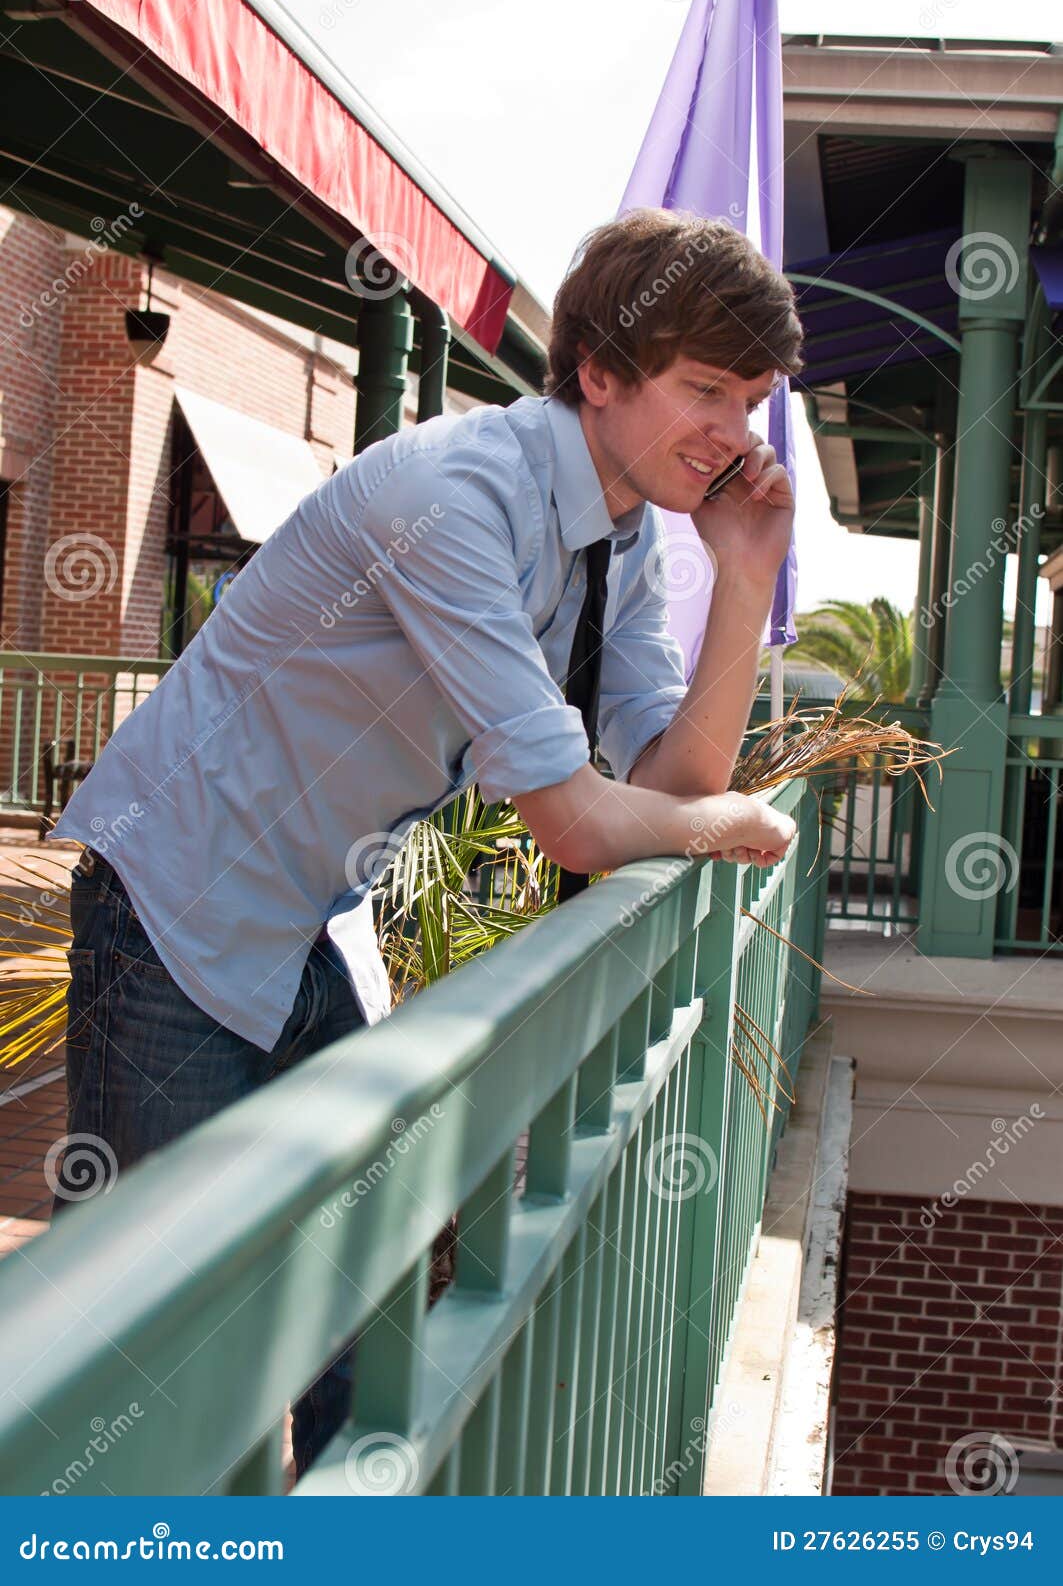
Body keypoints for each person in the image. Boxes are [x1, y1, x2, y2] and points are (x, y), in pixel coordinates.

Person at [46, 205, 805, 1479]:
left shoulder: (613, 531)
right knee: (154, 1343)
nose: (734, 433)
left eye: (753, 400)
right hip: (172, 904)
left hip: (301, 925)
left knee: (358, 1308)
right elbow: (573, 819)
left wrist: (740, 573)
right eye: (706, 390)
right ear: (601, 375)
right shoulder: (458, 496)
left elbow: (668, 774)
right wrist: (719, 827)